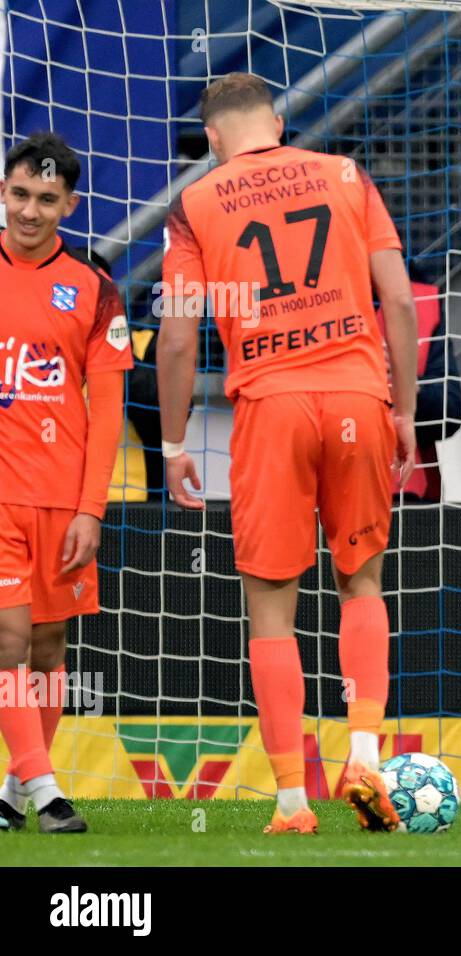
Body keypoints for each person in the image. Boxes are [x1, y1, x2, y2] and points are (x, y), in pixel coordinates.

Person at [156, 73, 418, 834]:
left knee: (272, 611)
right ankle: (364, 754)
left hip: (270, 407)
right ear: (276, 121)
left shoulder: (194, 204)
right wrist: (402, 408)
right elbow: (398, 299)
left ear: (211, 138)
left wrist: (173, 444)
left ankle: (292, 804)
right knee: (361, 580)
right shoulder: (344, 174)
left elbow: (177, 336)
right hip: (355, 394)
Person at [0, 132, 134, 833]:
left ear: (69, 205)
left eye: (45, 199)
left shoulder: (96, 288)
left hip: (61, 500)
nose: (29, 210)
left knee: (49, 648)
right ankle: (50, 792)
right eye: (19, 194)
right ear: (2, 192)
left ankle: (16, 791)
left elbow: (108, 407)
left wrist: (92, 510)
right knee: (8, 639)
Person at [377, 273, 461, 501]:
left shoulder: (423, 300)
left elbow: (451, 411)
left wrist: (405, 385)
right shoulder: (317, 301)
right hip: (336, 487)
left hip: (412, 496)